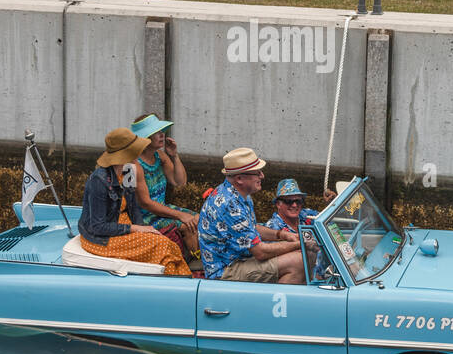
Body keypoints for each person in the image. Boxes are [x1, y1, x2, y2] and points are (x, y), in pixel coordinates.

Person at [77, 128, 191, 277]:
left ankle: (182, 281)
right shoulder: (99, 180)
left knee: (170, 246)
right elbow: (98, 227)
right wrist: (136, 229)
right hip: (102, 239)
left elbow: (133, 206)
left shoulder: (128, 170)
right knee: (164, 248)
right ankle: (179, 283)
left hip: (124, 229)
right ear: (126, 154)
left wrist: (144, 229)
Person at [197, 148, 307, 283]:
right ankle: (277, 303)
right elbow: (260, 252)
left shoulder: (241, 194)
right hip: (225, 271)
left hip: (241, 259)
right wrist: (300, 244)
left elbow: (251, 227)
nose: (262, 176)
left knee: (298, 255)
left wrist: (282, 235)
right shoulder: (229, 205)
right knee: (299, 261)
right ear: (239, 179)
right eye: (257, 173)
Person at [130, 113, 198, 235]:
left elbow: (180, 182)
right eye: (156, 132)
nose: (162, 135)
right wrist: (180, 215)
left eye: (162, 131)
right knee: (188, 225)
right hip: (145, 217)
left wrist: (175, 156)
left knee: (199, 218)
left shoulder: (160, 156)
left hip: (163, 210)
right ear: (145, 137)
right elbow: (145, 203)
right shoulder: (134, 164)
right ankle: (193, 254)